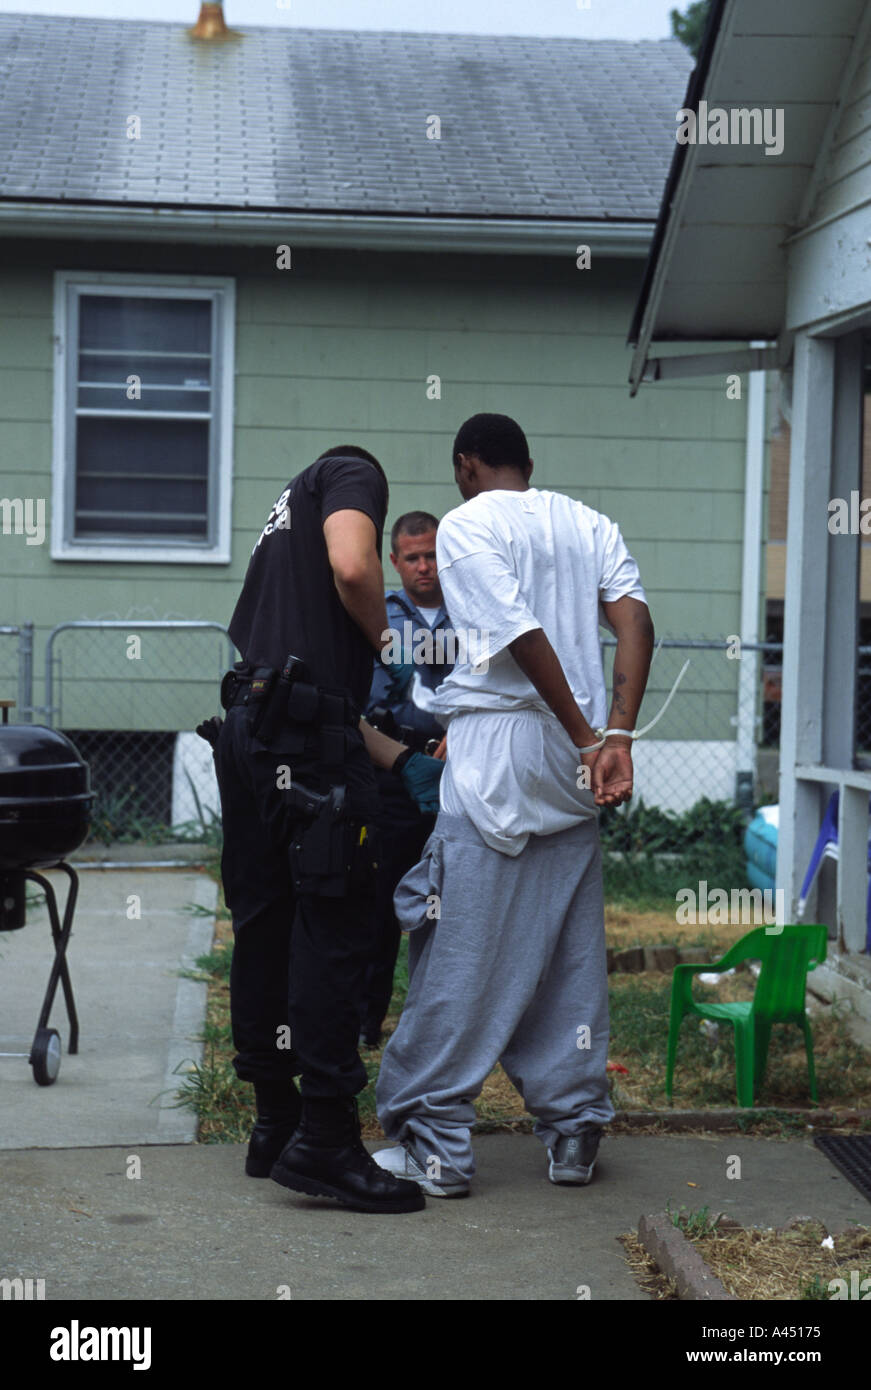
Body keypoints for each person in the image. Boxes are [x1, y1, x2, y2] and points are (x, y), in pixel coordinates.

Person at [374, 413, 654, 1198]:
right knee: (567, 956)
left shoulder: (467, 525)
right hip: (575, 776)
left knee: (458, 951)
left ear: (467, 465)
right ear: (526, 463)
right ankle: (572, 1131)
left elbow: (517, 634)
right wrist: (615, 737)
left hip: (501, 758)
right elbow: (633, 619)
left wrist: (582, 736)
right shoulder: (586, 521)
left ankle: (437, 1145)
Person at [210, 444, 443, 1215]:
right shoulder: (351, 470)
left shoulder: (279, 522)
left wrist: (401, 754)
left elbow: (306, 700)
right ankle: (326, 1140)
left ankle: (272, 1124)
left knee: (265, 920)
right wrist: (391, 647)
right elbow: (352, 568)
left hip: (251, 725)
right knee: (336, 923)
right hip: (300, 740)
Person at [360, 511, 455, 1046]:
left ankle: (438, 1025)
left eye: (434, 554)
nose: (425, 566)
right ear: (393, 561)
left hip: (458, 774)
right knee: (379, 901)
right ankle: (366, 1023)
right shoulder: (377, 615)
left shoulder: (471, 612)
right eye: (413, 557)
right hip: (391, 771)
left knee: (449, 902)